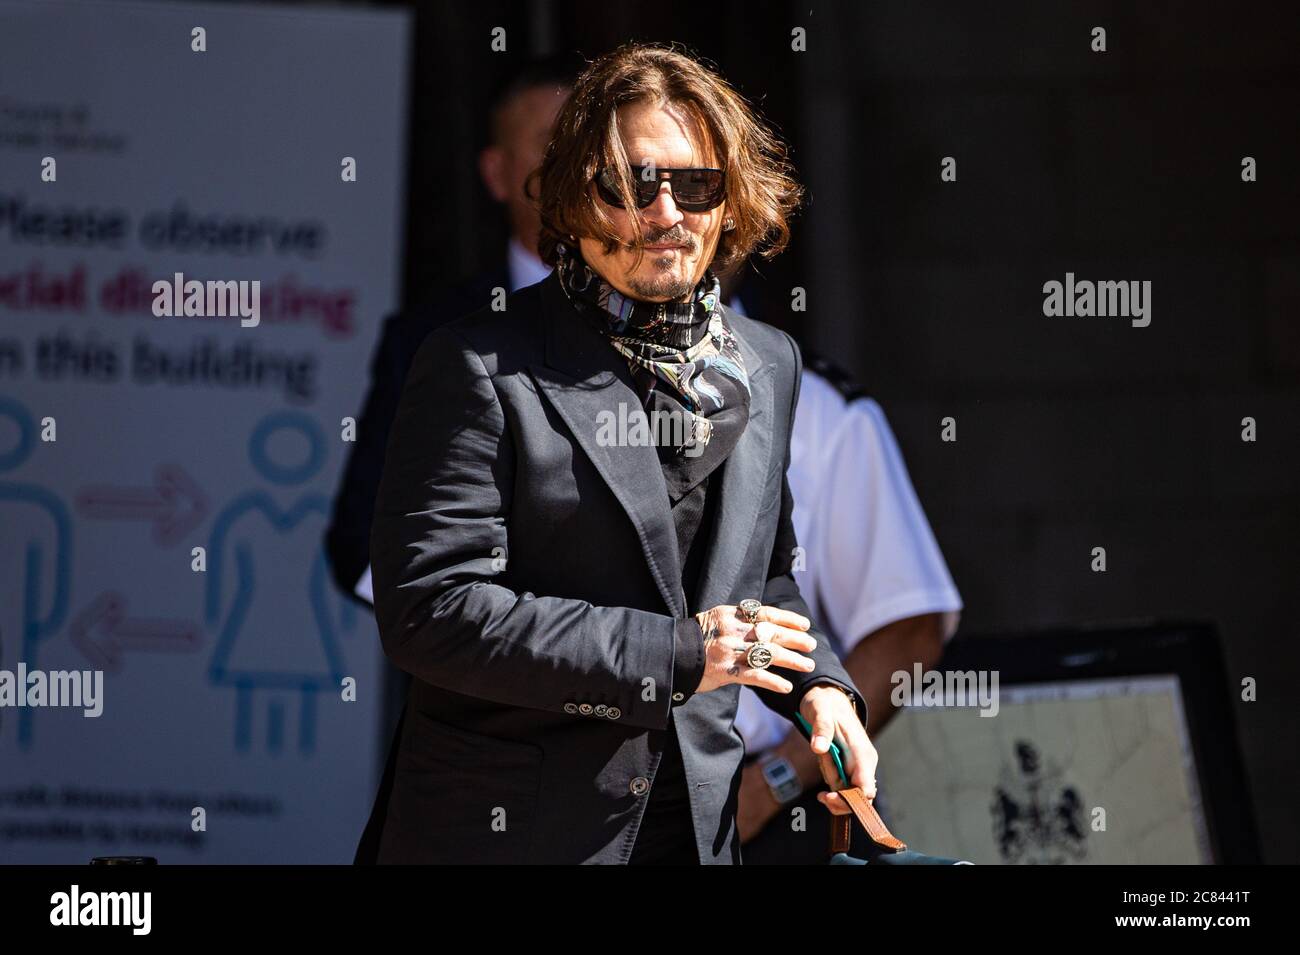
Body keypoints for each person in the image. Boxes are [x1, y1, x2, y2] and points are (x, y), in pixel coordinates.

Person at [359, 42, 875, 864]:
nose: (666, 212)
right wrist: (675, 654)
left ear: (729, 200)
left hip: (696, 834)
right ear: (573, 197)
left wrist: (822, 685)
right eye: (632, 182)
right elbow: (432, 609)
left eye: (696, 184)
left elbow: (763, 576)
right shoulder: (478, 363)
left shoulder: (766, 361)